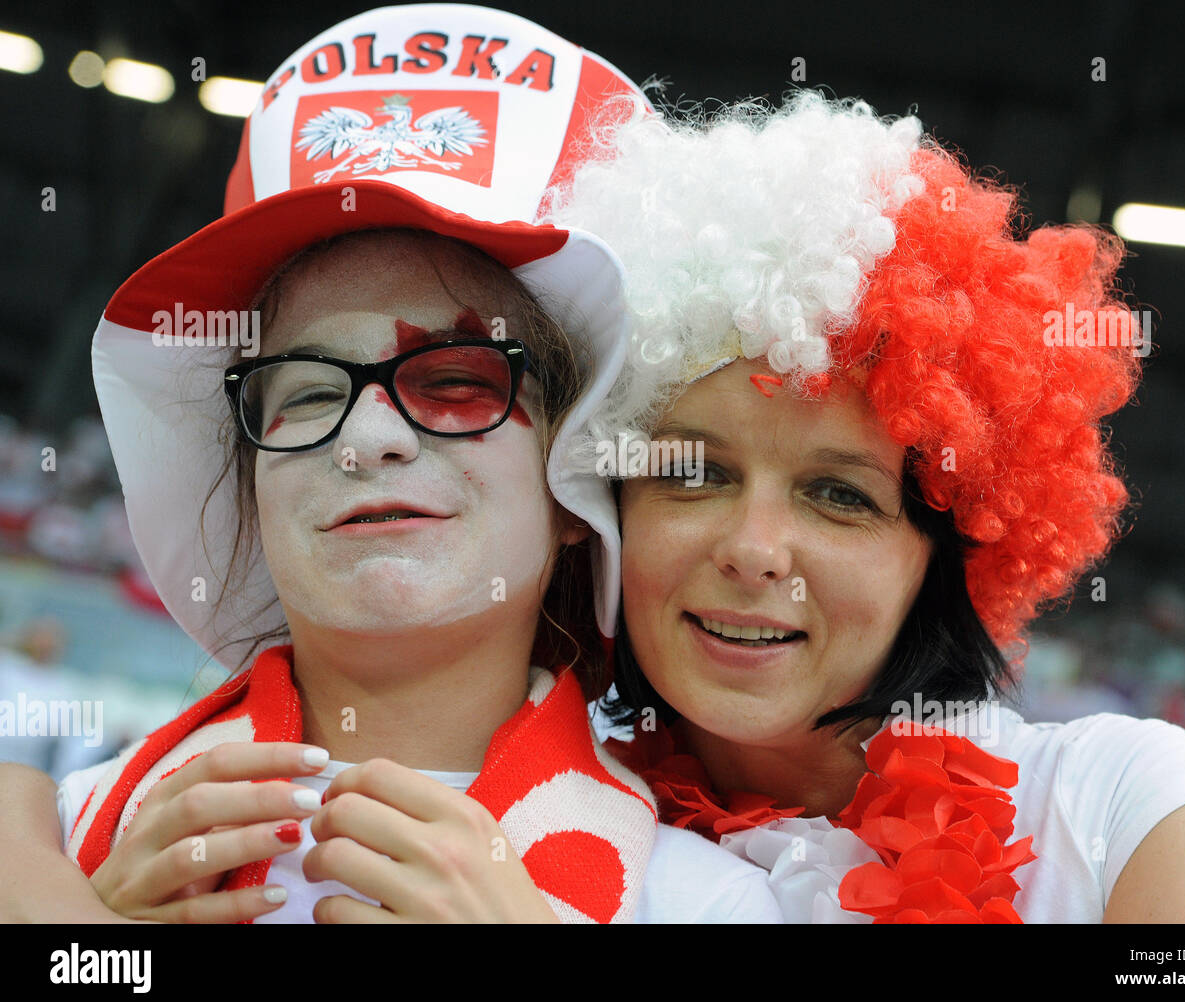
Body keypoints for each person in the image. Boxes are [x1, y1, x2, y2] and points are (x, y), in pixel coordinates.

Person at [0, 5, 781, 924]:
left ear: (579, 482)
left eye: (454, 380)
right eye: (307, 393)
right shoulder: (61, 845)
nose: (367, 437)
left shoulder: (717, 902)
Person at [543, 90, 1185, 923]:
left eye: (838, 494)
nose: (754, 548)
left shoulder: (1128, 810)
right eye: (695, 474)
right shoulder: (521, 823)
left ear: (947, 546)